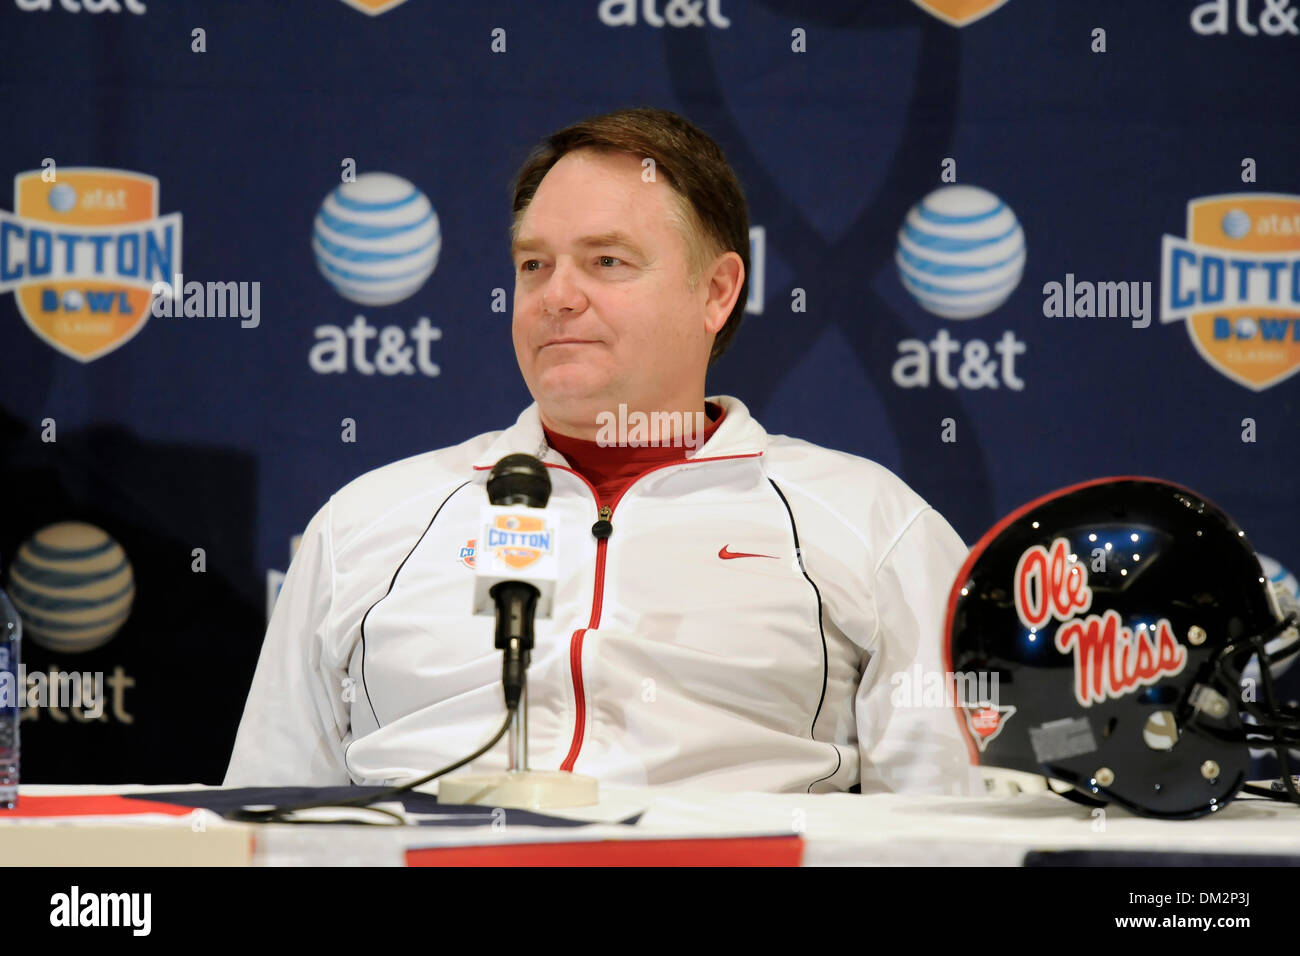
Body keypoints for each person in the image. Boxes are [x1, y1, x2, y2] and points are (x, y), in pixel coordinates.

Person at [224, 107, 977, 796]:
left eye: (607, 262)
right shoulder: (366, 524)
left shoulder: (871, 527)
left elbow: (951, 827)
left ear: (716, 292)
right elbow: (264, 810)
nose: (557, 296)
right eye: (534, 265)